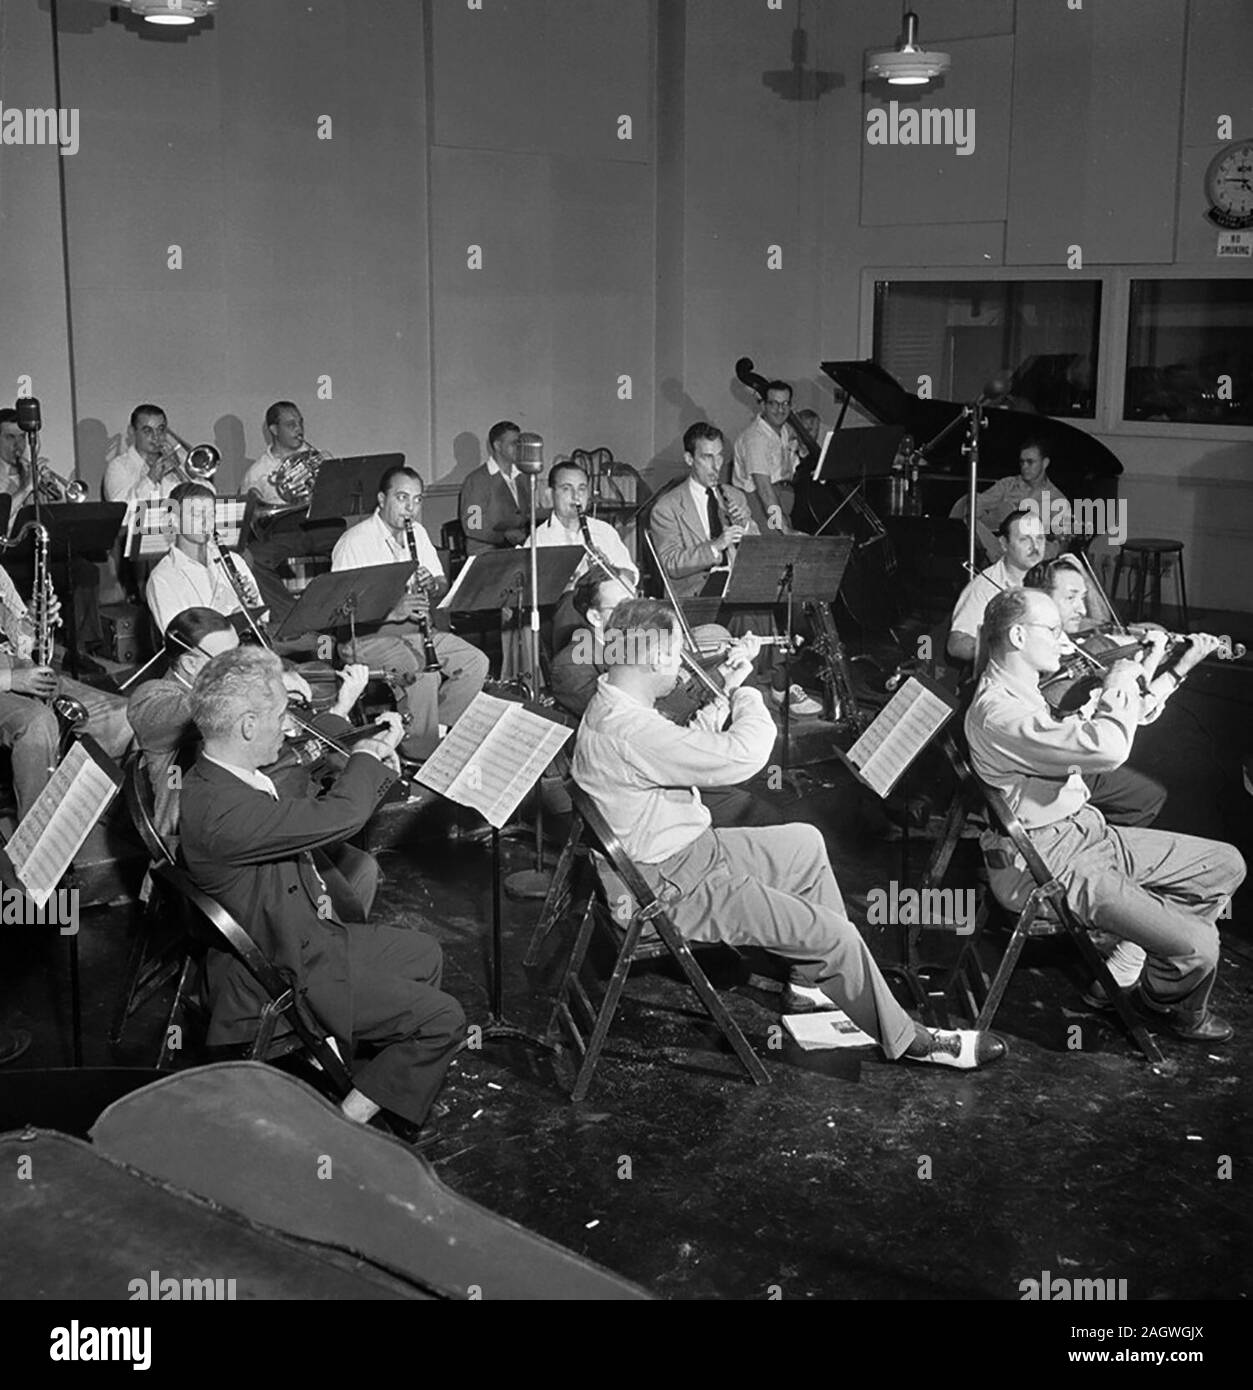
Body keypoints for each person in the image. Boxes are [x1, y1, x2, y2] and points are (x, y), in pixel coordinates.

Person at [572, 597, 1007, 1069]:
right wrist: (749, 694)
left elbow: (678, 749)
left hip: (684, 854)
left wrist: (725, 690)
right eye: (676, 654)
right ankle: (914, 1041)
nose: (680, 665)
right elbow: (744, 755)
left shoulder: (613, 705)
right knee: (835, 935)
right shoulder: (630, 729)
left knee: (804, 843)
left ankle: (807, 986)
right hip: (675, 886)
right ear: (655, 658)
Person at [180, 646, 465, 1134]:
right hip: (284, 973)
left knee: (423, 954)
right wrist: (366, 756)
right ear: (248, 726)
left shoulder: (221, 775)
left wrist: (353, 742)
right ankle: (345, 1121)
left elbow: (294, 774)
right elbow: (340, 817)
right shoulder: (224, 813)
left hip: (304, 937)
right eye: (279, 714)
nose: (288, 725)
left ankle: (376, 1071)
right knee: (445, 1018)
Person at [966, 587, 1244, 1040]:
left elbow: (1118, 717)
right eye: (1053, 629)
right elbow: (1110, 746)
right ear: (1017, 635)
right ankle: (1168, 997)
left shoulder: (1026, 691)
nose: (1066, 641)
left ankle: (1149, 980)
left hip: (1087, 834)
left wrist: (1158, 666)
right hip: (1048, 863)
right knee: (1201, 947)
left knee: (1224, 865)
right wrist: (1118, 680)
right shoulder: (999, 712)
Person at [552, 571, 783, 829]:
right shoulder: (573, 665)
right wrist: (723, 681)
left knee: (762, 808)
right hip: (631, 785)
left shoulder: (633, 646)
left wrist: (724, 681)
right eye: (621, 607)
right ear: (595, 617)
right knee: (762, 815)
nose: (636, 613)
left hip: (661, 758)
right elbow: (650, 720)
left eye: (635, 600)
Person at [128, 607, 369, 852]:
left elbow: (298, 754)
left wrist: (341, 707)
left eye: (240, 651)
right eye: (229, 659)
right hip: (199, 843)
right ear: (190, 663)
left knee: (361, 867)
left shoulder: (239, 694)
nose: (242, 664)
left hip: (259, 820)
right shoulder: (151, 699)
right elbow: (203, 706)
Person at [651, 422, 819, 717]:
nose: (716, 466)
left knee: (760, 598)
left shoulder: (734, 496)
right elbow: (671, 564)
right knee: (748, 608)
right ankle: (769, 689)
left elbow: (755, 557)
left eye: (720, 457)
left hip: (733, 591)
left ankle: (763, 689)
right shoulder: (667, 507)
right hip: (693, 600)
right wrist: (715, 546)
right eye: (706, 457)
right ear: (689, 459)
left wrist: (747, 527)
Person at [331, 464, 488, 762]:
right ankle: (420, 755)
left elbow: (441, 583)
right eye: (403, 498)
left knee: (475, 662)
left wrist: (433, 584)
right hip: (365, 638)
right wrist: (394, 611)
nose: (411, 508)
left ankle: (435, 733)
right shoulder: (354, 542)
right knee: (423, 676)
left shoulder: (417, 532)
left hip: (414, 633)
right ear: (381, 499)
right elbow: (341, 612)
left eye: (417, 500)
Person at [0, 558, 132, 822]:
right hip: (8, 681)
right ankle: (36, 843)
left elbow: (21, 645)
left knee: (126, 715)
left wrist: (33, 623)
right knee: (38, 722)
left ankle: (101, 818)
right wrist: (12, 679)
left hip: (21, 673)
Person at [241, 401, 344, 624]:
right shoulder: (257, 472)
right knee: (254, 559)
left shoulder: (319, 459)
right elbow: (250, 514)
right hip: (284, 532)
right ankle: (291, 618)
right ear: (274, 430)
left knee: (355, 544)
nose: (299, 429)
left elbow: (337, 495)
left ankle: (342, 610)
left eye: (300, 422)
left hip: (322, 526)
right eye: (290, 424)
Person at [530, 458, 638, 654]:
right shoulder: (539, 538)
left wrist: (610, 570)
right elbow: (535, 594)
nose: (575, 496)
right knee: (571, 603)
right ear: (550, 494)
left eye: (581, 489)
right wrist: (571, 581)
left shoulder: (604, 531)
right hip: (565, 617)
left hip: (608, 611)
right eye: (566, 489)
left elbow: (631, 575)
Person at [145, 482, 267, 634]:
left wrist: (252, 605)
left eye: (211, 515)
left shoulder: (234, 561)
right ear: (174, 521)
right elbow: (181, 641)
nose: (206, 523)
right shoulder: (163, 578)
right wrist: (234, 617)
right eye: (196, 514)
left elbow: (263, 620)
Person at [947, 506, 1046, 667]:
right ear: (1004, 543)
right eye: (1024, 539)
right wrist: (1003, 649)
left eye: (1040, 538)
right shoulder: (985, 586)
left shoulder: (1051, 577)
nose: (1035, 547)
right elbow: (956, 644)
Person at [951, 436, 1072, 561]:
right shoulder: (1007, 485)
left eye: (1030, 462)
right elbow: (974, 506)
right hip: (995, 547)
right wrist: (996, 521)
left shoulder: (1058, 500)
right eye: (1022, 462)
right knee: (967, 513)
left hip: (1029, 559)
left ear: (1045, 463)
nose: (1024, 466)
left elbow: (1061, 546)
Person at [732, 379, 800, 532]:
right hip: (761, 503)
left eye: (785, 404)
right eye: (773, 403)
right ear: (763, 405)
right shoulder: (755, 438)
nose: (780, 410)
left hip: (783, 497)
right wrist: (782, 528)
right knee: (776, 546)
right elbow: (764, 490)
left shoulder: (784, 431)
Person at [459, 420, 531, 554]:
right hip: (487, 553)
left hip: (518, 550)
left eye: (520, 443)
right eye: (514, 443)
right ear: (498, 446)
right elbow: (473, 525)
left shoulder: (523, 477)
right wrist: (504, 535)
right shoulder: (476, 480)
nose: (520, 448)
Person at [103, 404, 185, 504]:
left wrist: (181, 470)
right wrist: (151, 478)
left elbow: (203, 497)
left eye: (161, 429)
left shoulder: (180, 461)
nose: (156, 436)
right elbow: (120, 508)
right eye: (148, 431)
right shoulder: (118, 467)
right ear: (132, 431)